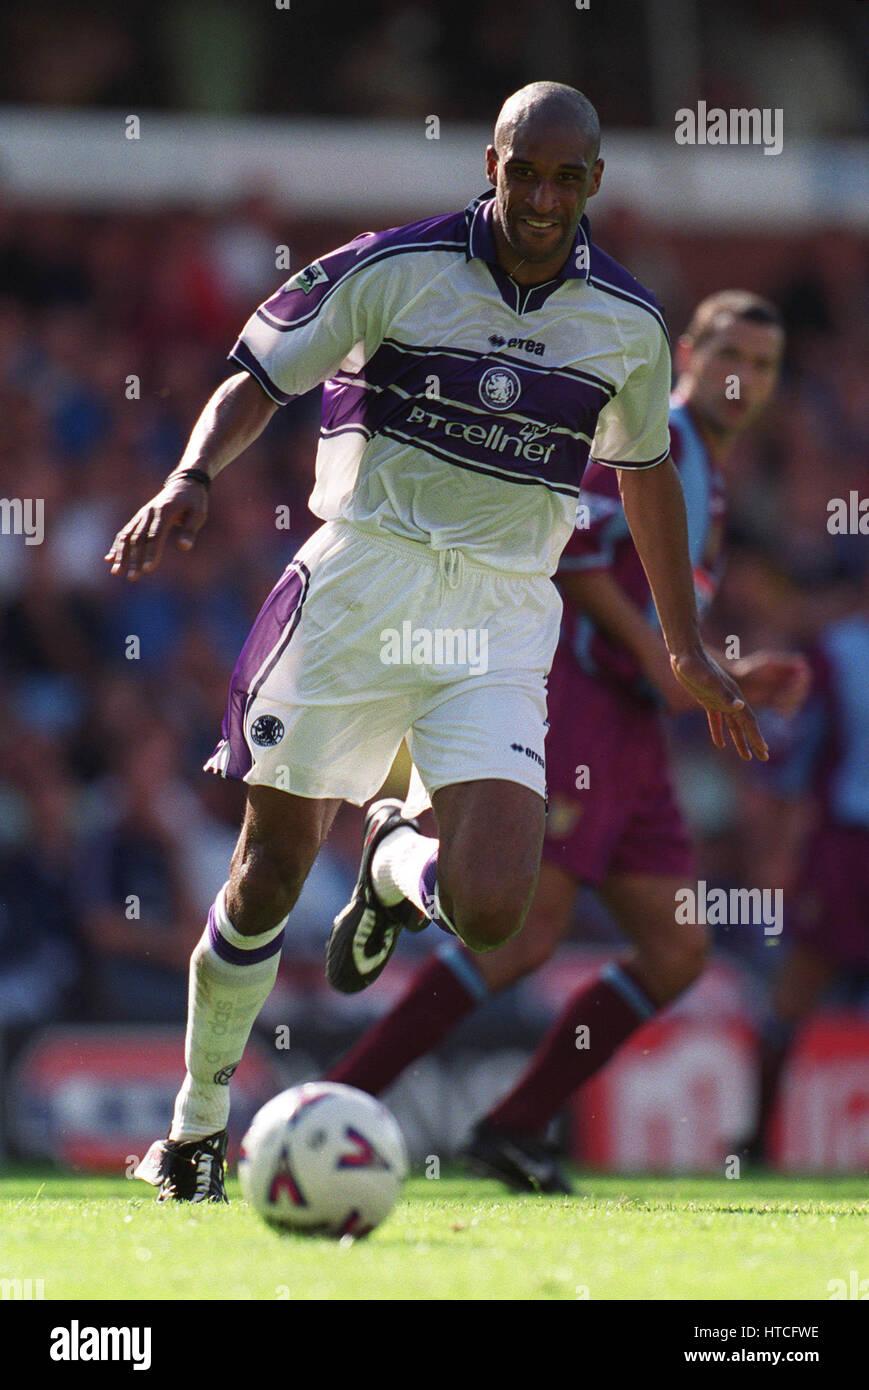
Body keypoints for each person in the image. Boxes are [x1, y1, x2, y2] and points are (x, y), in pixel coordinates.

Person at [106, 83, 767, 1203]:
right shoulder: (395, 268)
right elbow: (257, 377)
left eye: (568, 177)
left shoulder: (624, 325)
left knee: (495, 905)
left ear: (593, 182)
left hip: (501, 615)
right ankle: (196, 1124)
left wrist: (683, 641)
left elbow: (645, 471)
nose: (544, 197)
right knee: (267, 874)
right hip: (361, 582)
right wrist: (188, 477)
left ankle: (391, 867)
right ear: (492, 164)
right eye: (526, 172)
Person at [326, 290, 810, 1191]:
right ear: (687, 355)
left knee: (676, 950)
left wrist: (721, 674)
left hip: (632, 732)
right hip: (575, 705)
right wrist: (665, 656)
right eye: (729, 354)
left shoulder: (711, 468)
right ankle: (332, 1100)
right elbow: (572, 555)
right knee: (519, 936)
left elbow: (659, 604)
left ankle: (511, 1127)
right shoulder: (643, 439)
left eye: (765, 363)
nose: (745, 377)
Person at [741, 584, 869, 1165]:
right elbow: (797, 754)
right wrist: (781, 849)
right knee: (797, 989)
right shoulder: (835, 652)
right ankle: (757, 1138)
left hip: (840, 839)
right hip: (842, 840)